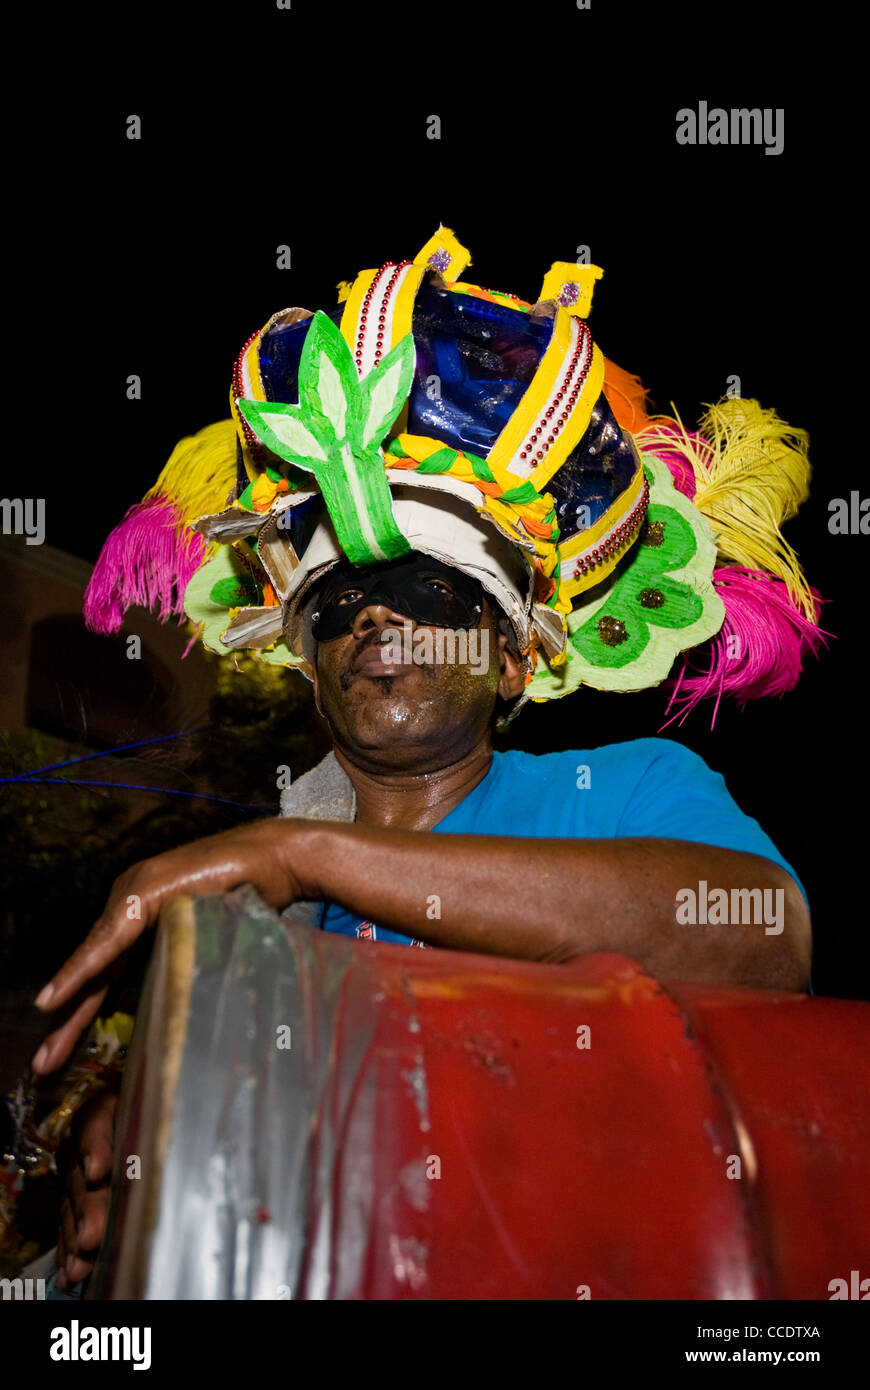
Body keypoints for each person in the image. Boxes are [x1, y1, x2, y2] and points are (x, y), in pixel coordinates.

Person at [30, 228, 822, 1292]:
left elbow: (771, 937)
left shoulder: (626, 788)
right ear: (308, 665)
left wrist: (305, 855)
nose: (372, 619)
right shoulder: (239, 917)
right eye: (339, 604)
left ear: (507, 659)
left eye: (427, 592)